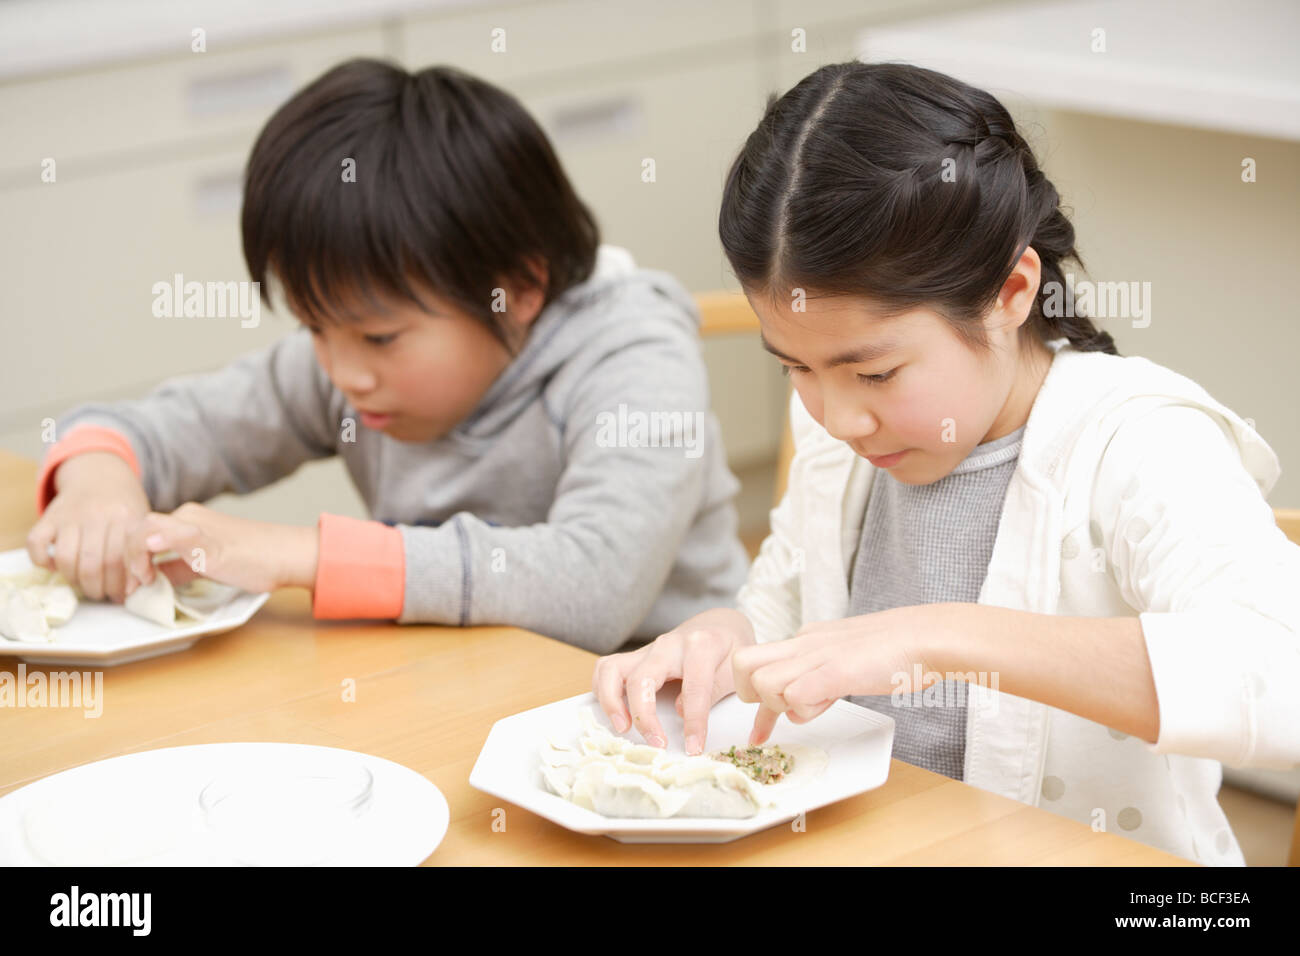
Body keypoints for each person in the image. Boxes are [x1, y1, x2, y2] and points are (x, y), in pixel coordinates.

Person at [593, 61, 1300, 864]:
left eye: (877, 372)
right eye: (795, 366)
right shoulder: (842, 428)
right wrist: (726, 638)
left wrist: (944, 637)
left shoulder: (1136, 442)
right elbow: (792, 607)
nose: (836, 416)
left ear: (1010, 292)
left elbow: (1283, 671)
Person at [27, 58, 749, 654]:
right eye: (315, 327)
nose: (343, 374)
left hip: (669, 724)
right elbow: (165, 428)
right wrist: (100, 483)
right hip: (459, 685)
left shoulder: (632, 355)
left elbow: (595, 588)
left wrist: (298, 555)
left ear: (519, 287)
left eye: (378, 337)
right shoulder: (350, 367)